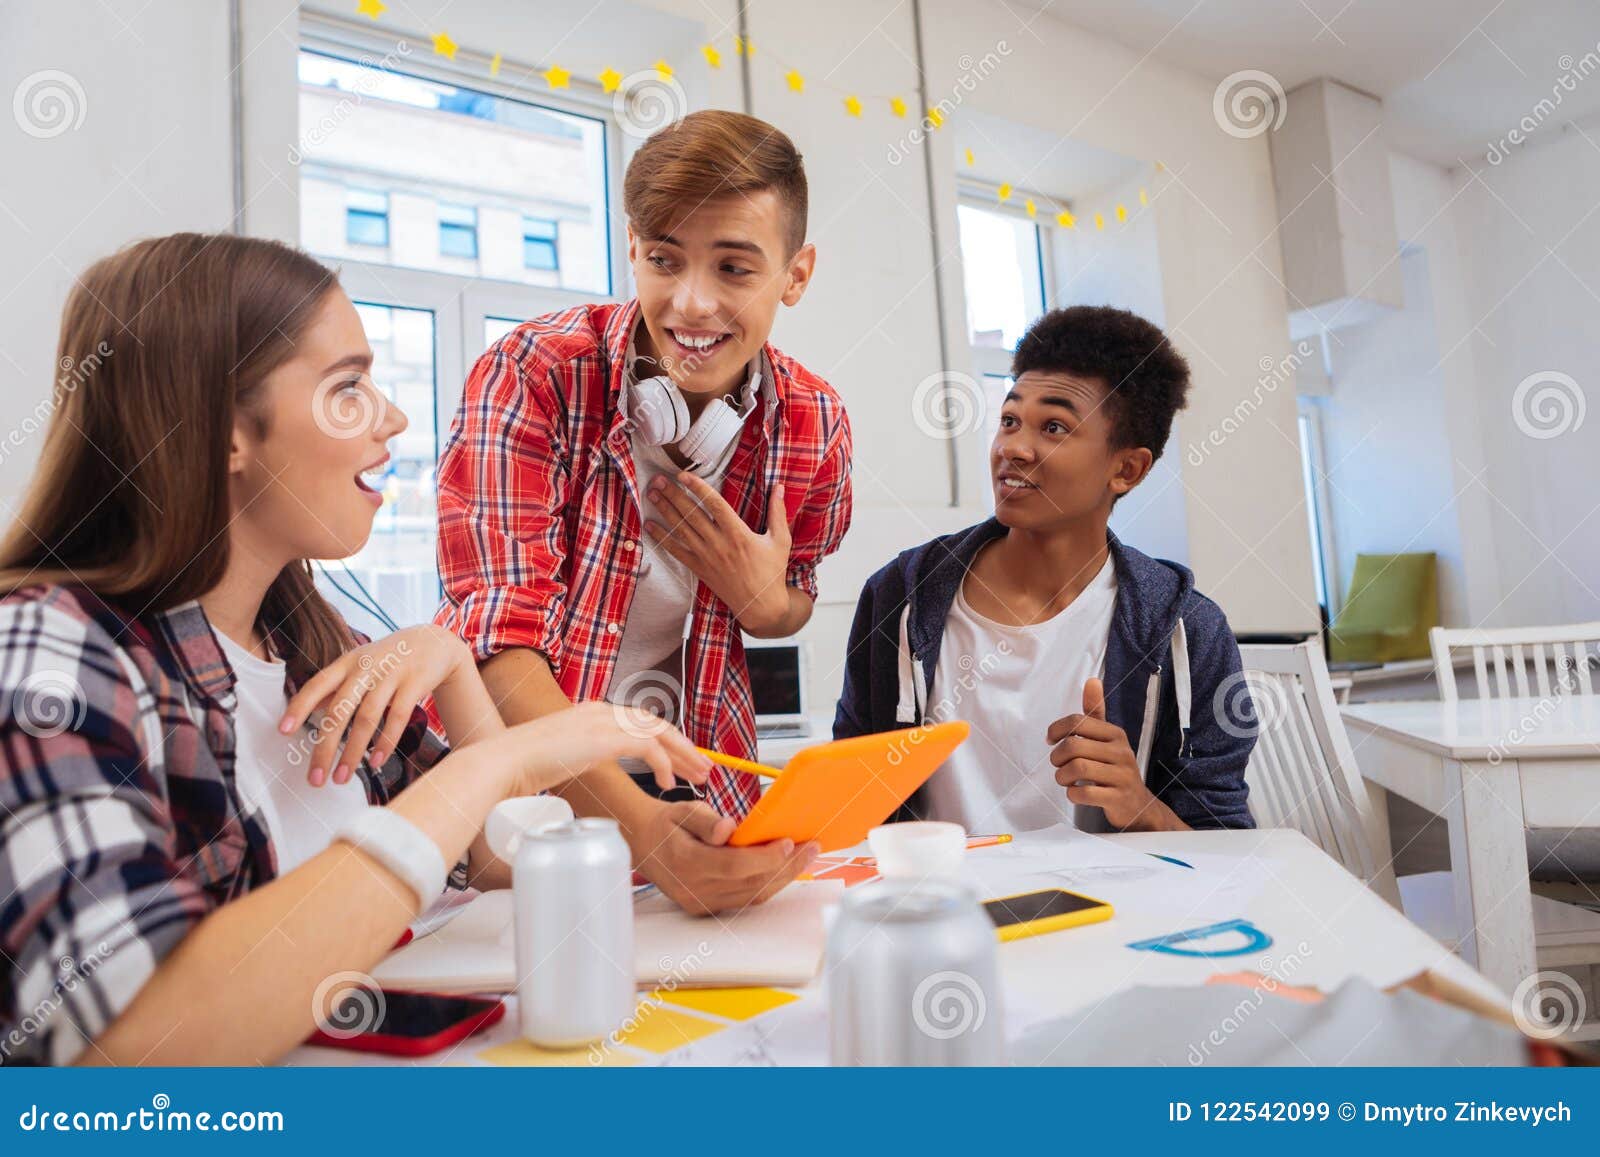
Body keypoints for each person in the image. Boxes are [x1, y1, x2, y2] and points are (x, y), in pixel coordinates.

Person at [0, 233, 707, 1065]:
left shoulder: (309, 644)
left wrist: (453, 662)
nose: (392, 418)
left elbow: (488, 855)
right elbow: (118, 1034)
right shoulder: (49, 650)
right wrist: (501, 760)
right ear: (225, 431)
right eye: (347, 387)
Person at [434, 110, 852, 913]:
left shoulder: (815, 421)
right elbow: (496, 642)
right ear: (632, 248)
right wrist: (642, 834)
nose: (692, 304)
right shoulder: (532, 373)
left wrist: (763, 602)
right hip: (517, 792)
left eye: (734, 268)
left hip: (695, 783)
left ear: (795, 275)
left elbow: (795, 593)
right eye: (664, 259)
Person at [835, 305, 1254, 833]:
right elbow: (850, 800)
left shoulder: (1188, 631)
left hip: (1116, 891)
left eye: (1054, 427)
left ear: (1127, 469)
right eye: (1009, 420)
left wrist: (1139, 805)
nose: (1012, 448)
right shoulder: (900, 595)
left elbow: (1227, 848)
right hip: (938, 886)